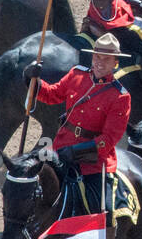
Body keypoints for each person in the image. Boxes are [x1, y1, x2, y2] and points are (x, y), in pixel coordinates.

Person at [24, 33, 131, 189]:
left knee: (97, 205)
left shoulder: (120, 96)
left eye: (106, 59)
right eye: (97, 58)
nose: (100, 63)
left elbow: (108, 139)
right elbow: (51, 95)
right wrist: (32, 79)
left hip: (92, 161)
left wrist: (75, 153)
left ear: (115, 63)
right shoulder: (76, 74)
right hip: (61, 146)